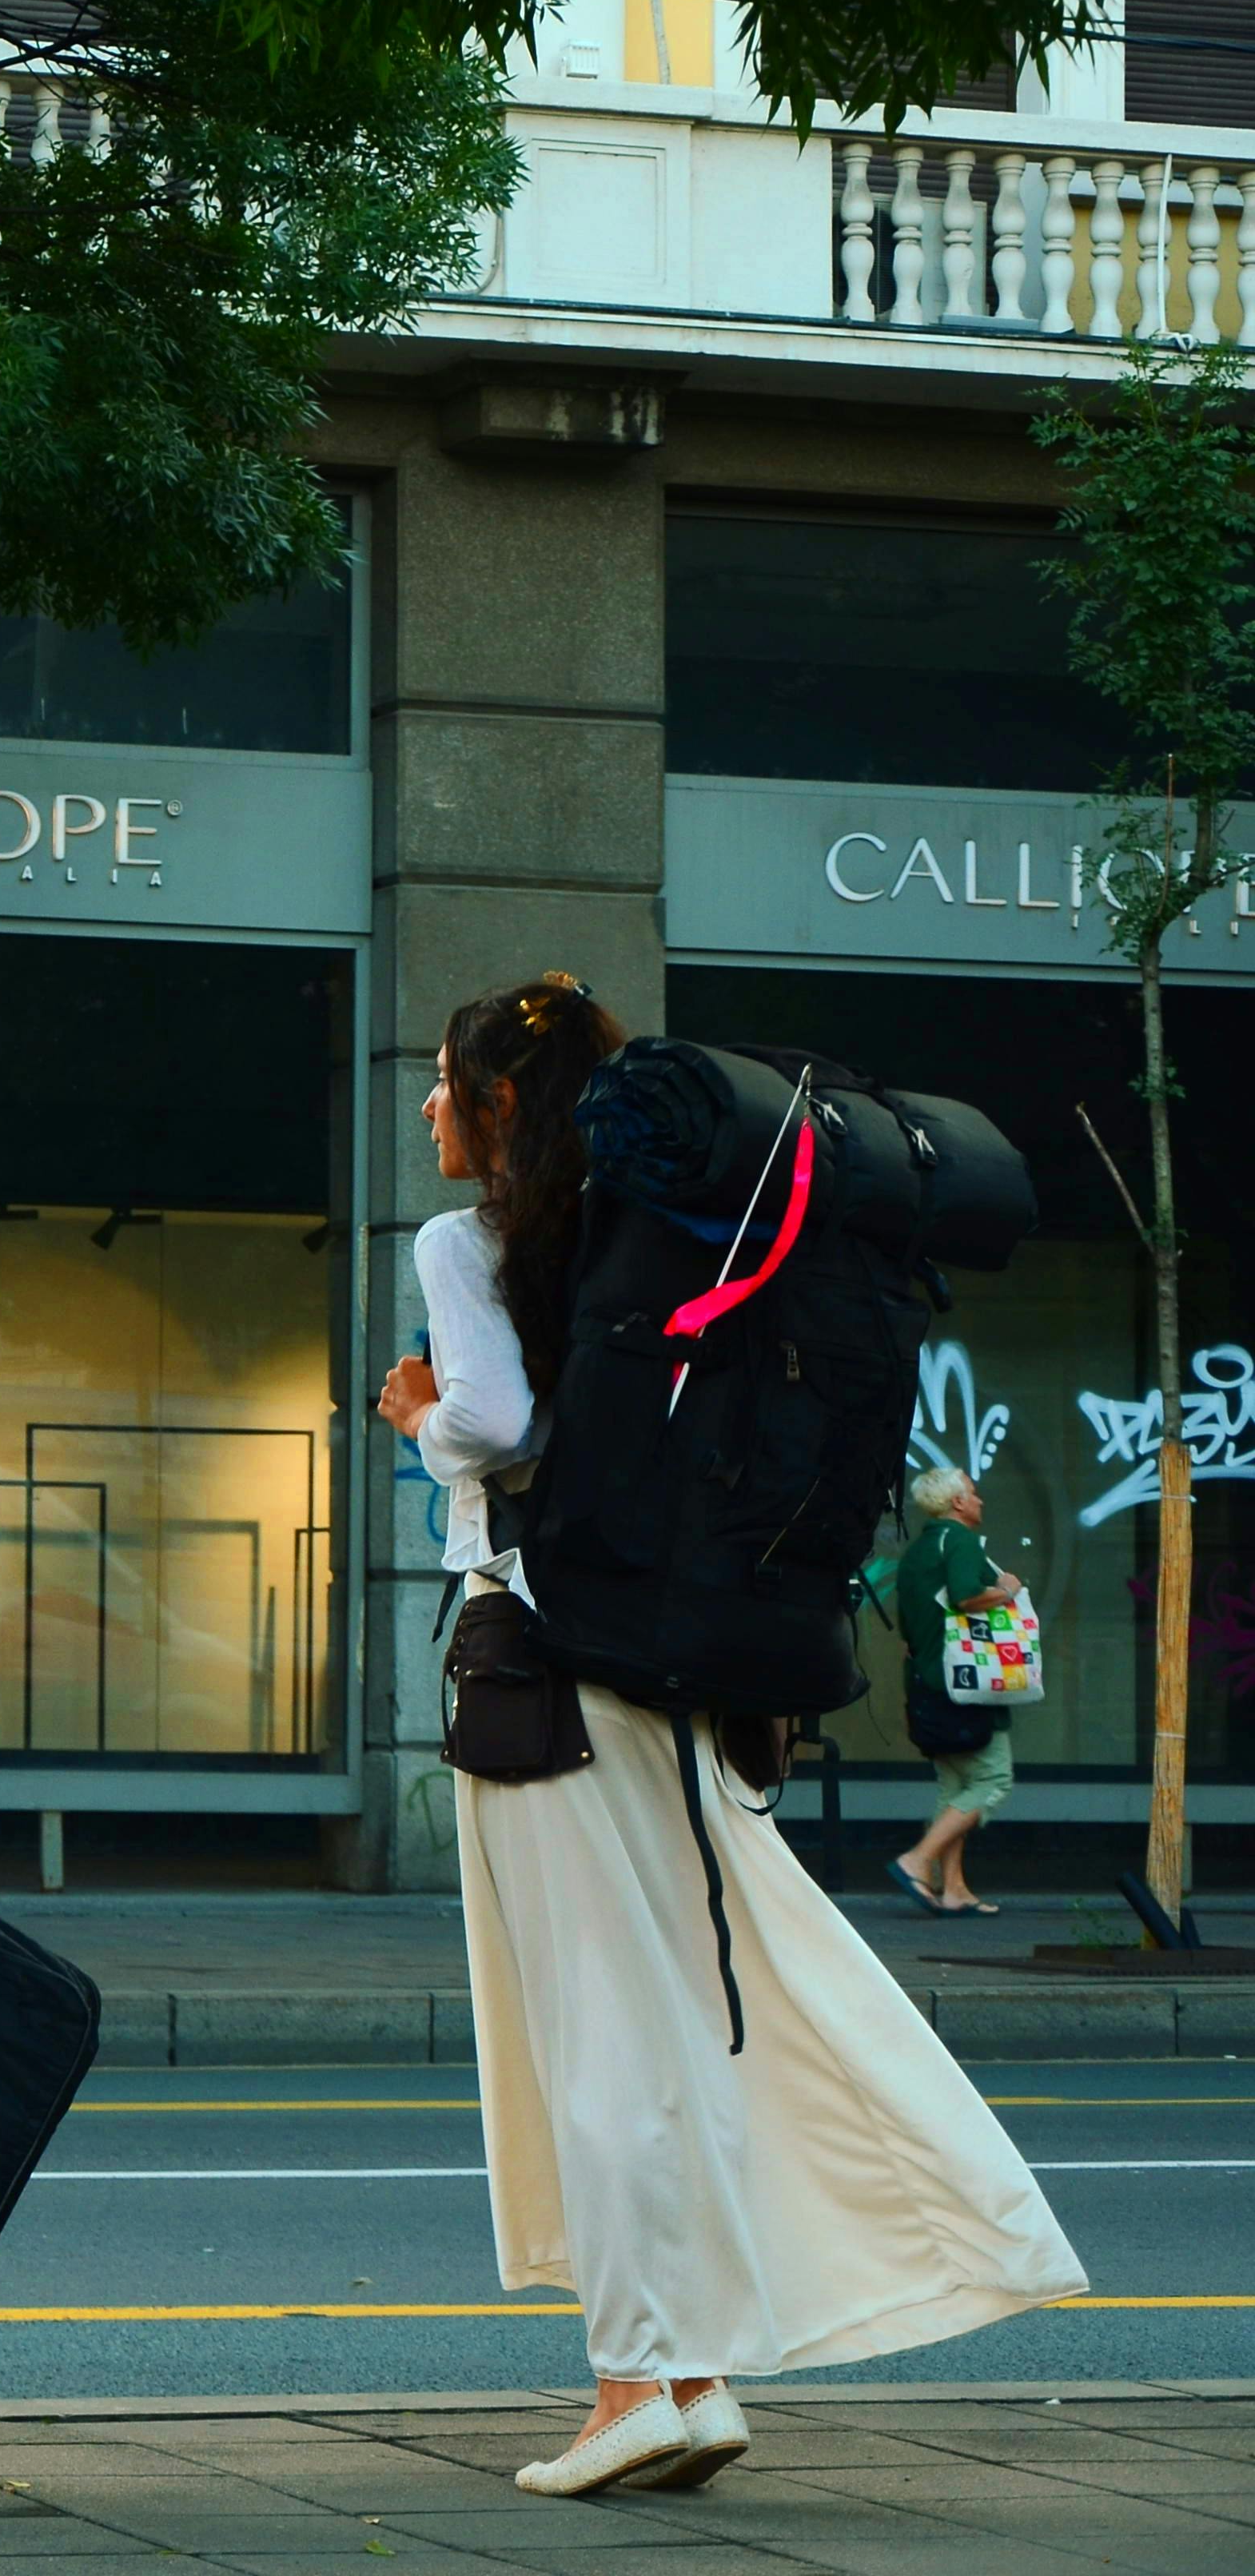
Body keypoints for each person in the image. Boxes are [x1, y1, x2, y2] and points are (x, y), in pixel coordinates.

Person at [377, 974, 1082, 2498]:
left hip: (538, 1671)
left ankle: (633, 2380)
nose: (428, 1106)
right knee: (688, 2016)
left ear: (498, 1101)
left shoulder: (472, 1237)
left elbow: (494, 1430)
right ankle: (685, 2373)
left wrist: (414, 1413)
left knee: (599, 2040)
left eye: (443, 1083)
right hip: (668, 1665)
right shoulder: (635, 1227)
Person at [891, 1465, 1024, 1917]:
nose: (981, 1499)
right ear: (957, 1503)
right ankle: (918, 1860)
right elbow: (969, 1596)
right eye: (974, 1492)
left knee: (955, 1788)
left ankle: (954, 1889)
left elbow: (908, 1633)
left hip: (926, 1686)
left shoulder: (917, 1552)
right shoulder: (961, 1541)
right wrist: (1005, 1589)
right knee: (992, 1779)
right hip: (967, 1686)